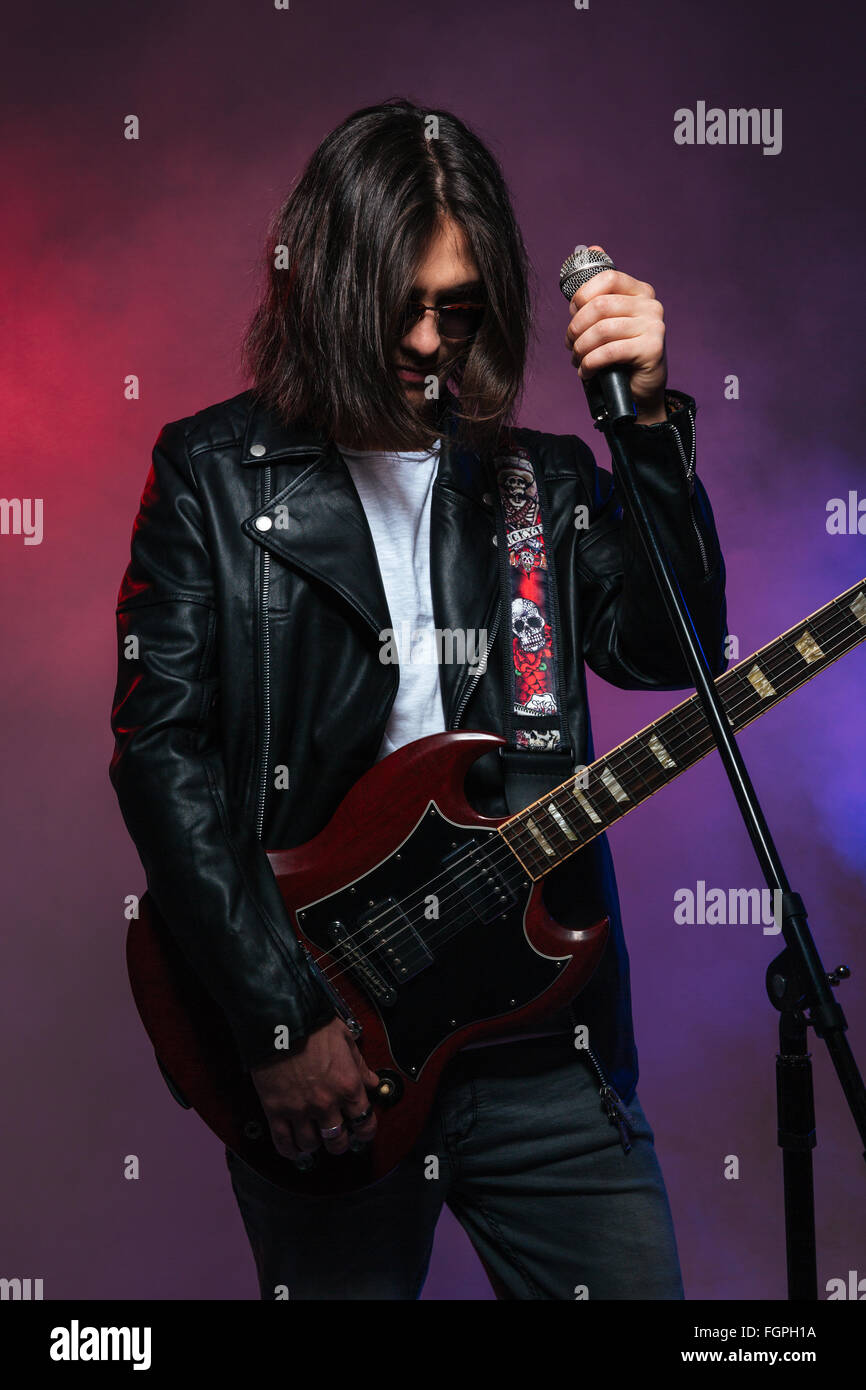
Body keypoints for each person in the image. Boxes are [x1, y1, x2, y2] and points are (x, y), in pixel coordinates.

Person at [109, 98, 727, 1300]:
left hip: (549, 1034)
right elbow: (160, 756)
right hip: (327, 1032)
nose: (429, 340)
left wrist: (646, 427)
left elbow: (670, 650)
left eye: (459, 306)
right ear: (326, 280)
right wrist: (280, 1021)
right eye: (399, 302)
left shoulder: (536, 479)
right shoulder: (210, 473)